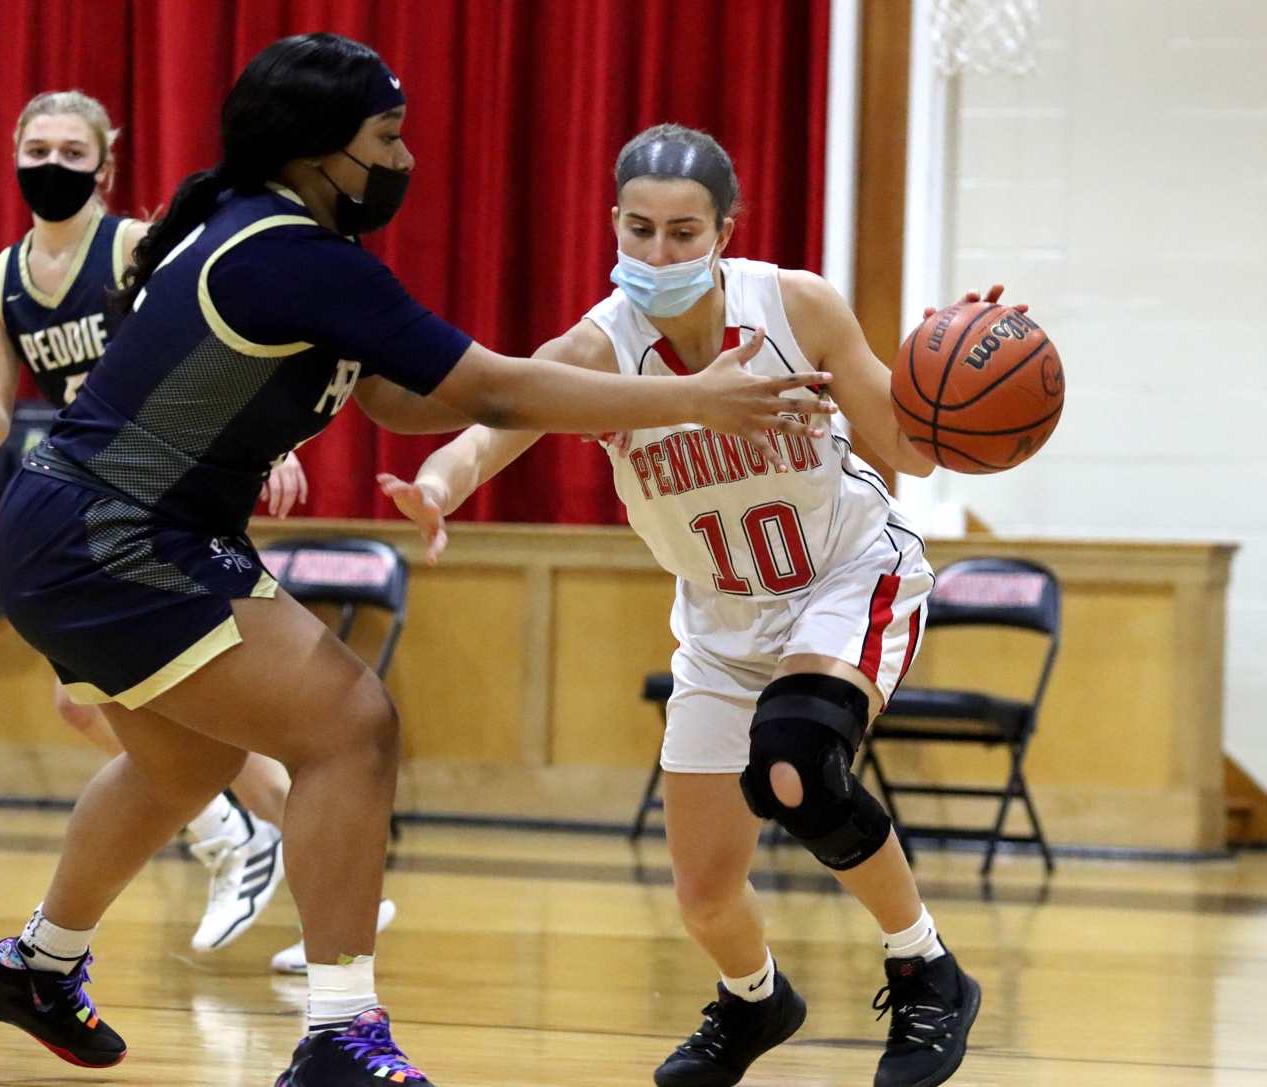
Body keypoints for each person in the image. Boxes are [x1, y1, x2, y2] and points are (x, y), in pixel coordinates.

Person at [0, 40, 816, 1086]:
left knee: (186, 762)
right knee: (352, 727)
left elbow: (413, 400)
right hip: (114, 533)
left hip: (79, 528)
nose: (404, 158)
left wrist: (535, 411)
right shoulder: (288, 253)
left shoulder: (284, 243)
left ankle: (37, 965)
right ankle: (337, 1035)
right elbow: (494, 392)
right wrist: (685, 395)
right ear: (321, 150)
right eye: (387, 139)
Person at [382, 125, 1006, 1087]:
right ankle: (755, 1000)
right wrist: (437, 481)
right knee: (707, 897)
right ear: (615, 227)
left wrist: (946, 375)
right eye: (639, 230)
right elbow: (494, 425)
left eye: (683, 232)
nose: (659, 253)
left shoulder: (796, 306)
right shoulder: (598, 348)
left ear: (724, 229)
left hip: (845, 576)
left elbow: (911, 451)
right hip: (719, 623)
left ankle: (925, 966)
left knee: (796, 764)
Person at [0, 90, 319, 960]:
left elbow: (228, 340)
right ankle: (277, 852)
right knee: (130, 707)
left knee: (160, 705)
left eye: (74, 152)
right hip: (84, 491)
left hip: (167, 484)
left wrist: (268, 441)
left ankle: (242, 841)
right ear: (13, 153)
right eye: (38, 147)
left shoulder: (131, 246)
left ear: (106, 168)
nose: (53, 164)